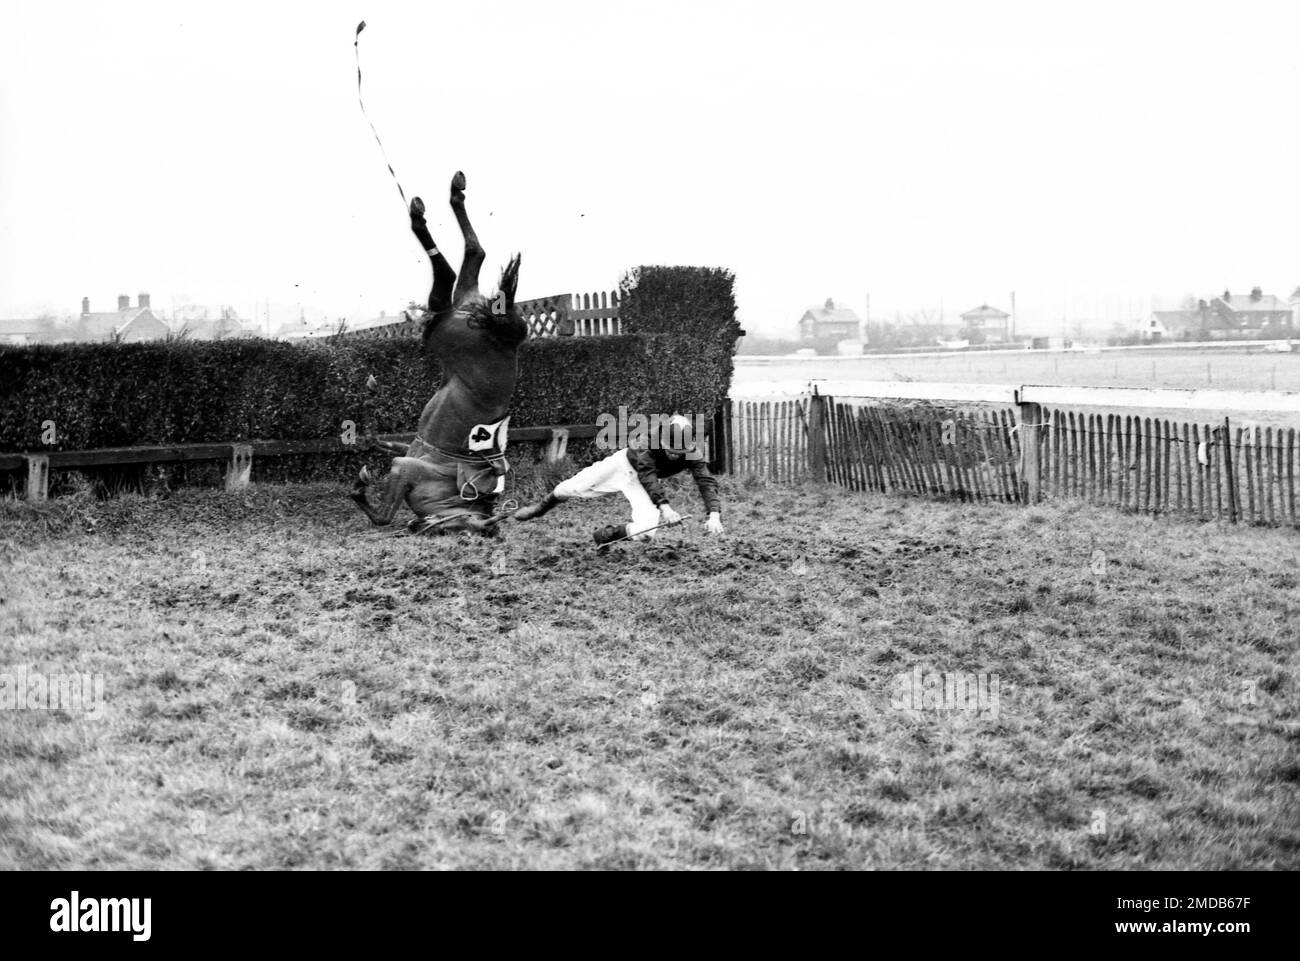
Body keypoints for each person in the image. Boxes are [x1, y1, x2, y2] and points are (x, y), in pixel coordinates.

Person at [513, 414, 725, 545]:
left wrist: (714, 514)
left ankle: (606, 535)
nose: (674, 456)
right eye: (671, 451)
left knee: (646, 532)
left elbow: (705, 480)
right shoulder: (647, 441)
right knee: (572, 488)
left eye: (680, 453)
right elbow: (648, 475)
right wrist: (666, 508)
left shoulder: (693, 450)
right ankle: (540, 507)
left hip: (638, 482)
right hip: (622, 465)